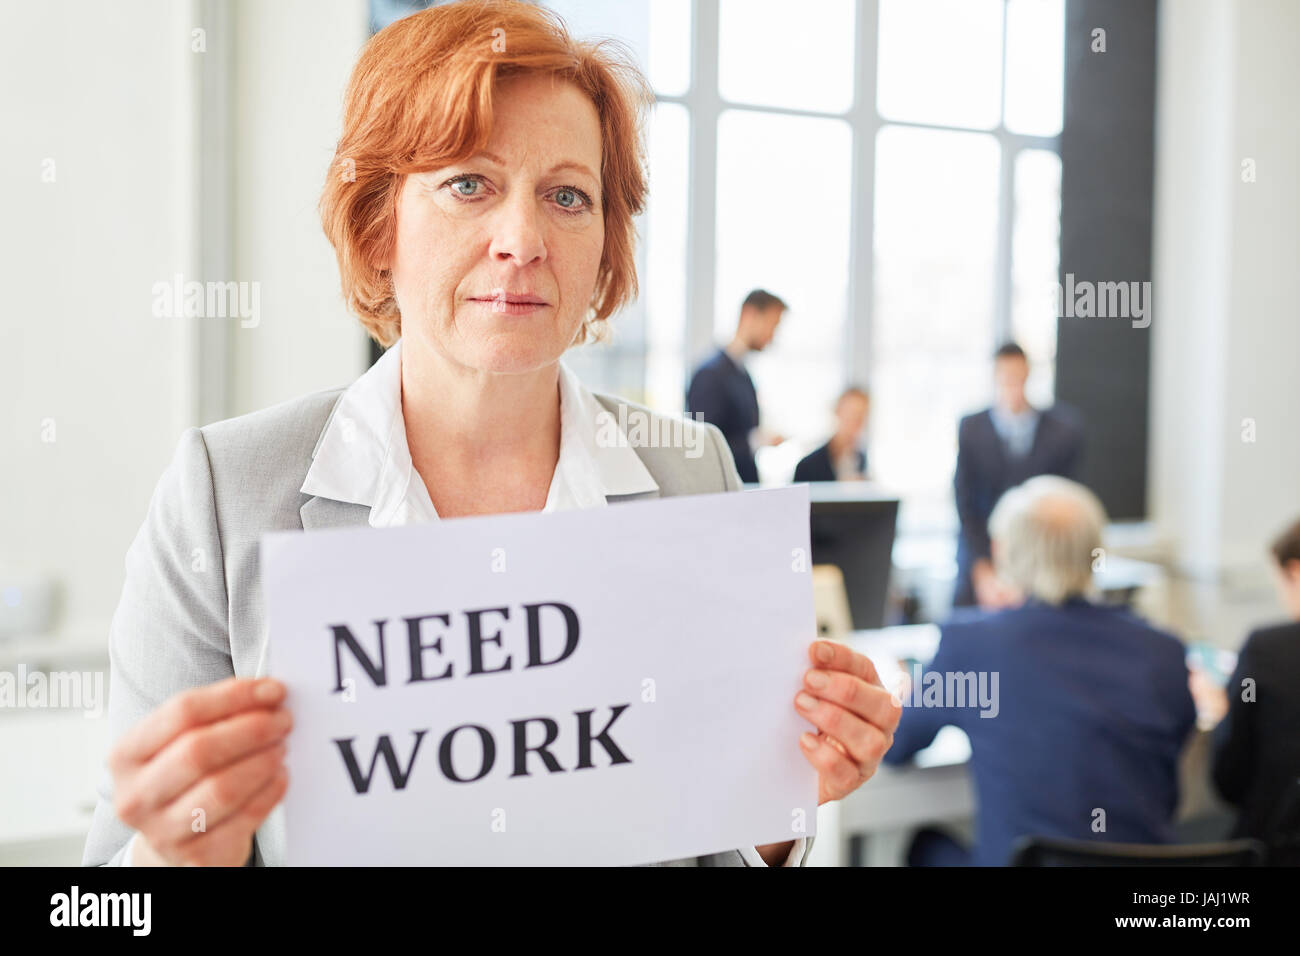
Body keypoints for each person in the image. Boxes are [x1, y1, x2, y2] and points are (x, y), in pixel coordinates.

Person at [81, 0, 900, 868]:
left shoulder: (692, 472)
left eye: (567, 196)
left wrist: (777, 808)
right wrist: (181, 853)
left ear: (605, 249)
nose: (522, 240)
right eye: (468, 184)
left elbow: (717, 843)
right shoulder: (225, 492)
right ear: (379, 223)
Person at [883, 476, 1197, 866]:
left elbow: (894, 747)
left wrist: (914, 692)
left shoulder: (973, 645)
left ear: (1003, 553)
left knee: (925, 846)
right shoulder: (1163, 651)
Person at [954, 342, 1083, 609]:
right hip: (982, 555)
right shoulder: (971, 428)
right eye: (1006, 377)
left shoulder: (1063, 430)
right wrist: (984, 572)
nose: (1013, 384)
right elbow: (965, 504)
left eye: (1018, 376)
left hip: (1042, 561)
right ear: (995, 377)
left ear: (1028, 375)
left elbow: (1066, 503)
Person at [1211, 516, 1300, 856]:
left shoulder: (1266, 649)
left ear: (1293, 571)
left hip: (1273, 849)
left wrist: (1226, 714)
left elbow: (1230, 780)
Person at [685, 289, 787, 484]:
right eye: (772, 325)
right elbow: (702, 447)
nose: (773, 336)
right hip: (721, 494)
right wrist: (756, 442)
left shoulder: (743, 374)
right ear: (749, 315)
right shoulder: (709, 375)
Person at [794, 386, 869, 483]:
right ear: (837, 412)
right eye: (851, 414)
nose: (856, 422)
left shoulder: (861, 459)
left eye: (861, 416)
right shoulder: (807, 465)